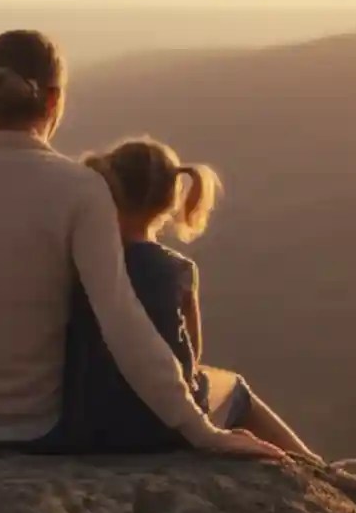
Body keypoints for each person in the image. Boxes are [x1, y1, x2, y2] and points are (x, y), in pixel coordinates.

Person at [0, 29, 283, 459]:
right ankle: (323, 470)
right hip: (31, 425)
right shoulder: (79, 189)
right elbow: (121, 320)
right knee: (224, 384)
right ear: (53, 100)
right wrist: (201, 431)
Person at [62, 137, 324, 460]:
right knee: (236, 388)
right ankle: (317, 467)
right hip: (160, 426)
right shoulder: (178, 270)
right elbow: (190, 358)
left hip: (87, 420)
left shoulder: (83, 262)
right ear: (172, 200)